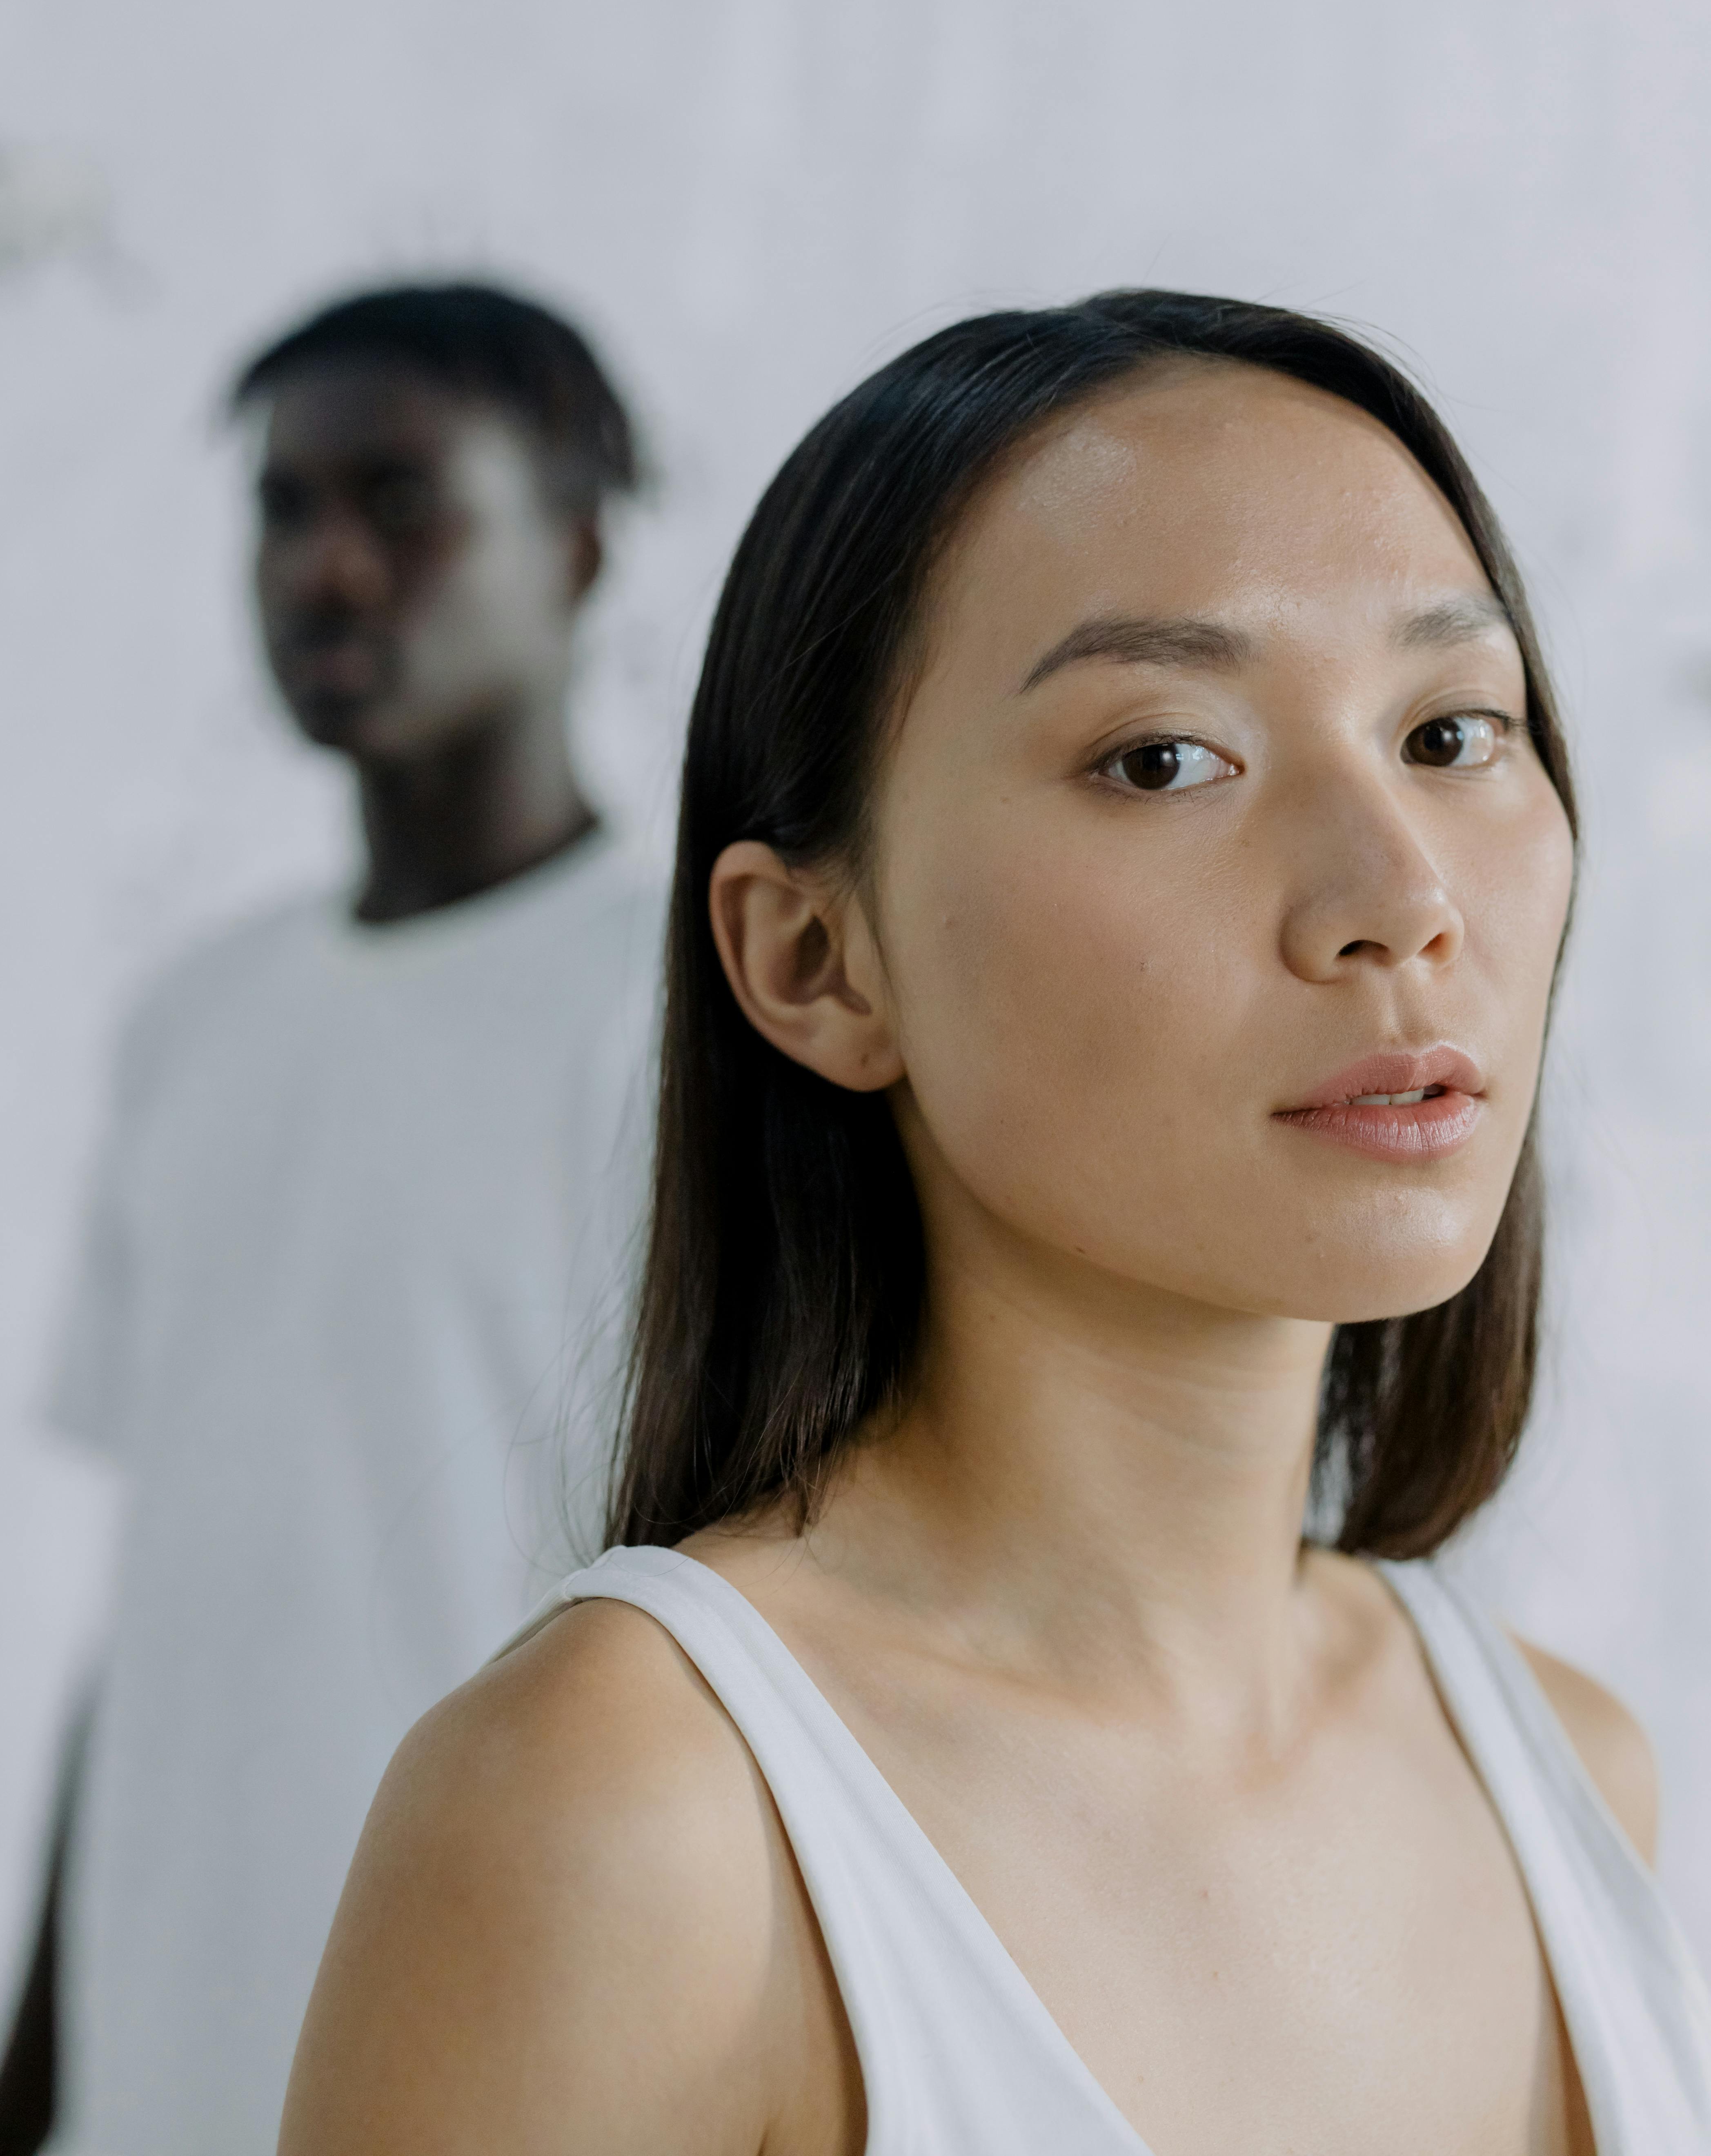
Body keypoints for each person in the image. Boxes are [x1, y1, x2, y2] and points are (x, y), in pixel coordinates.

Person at [280, 291, 1711, 2156]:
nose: (1398, 896)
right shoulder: (631, 1820)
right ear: (813, 962)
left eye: (1452, 730)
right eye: (1163, 759)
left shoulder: (1565, 1770)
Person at [9, 282, 661, 2156]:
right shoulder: (195, 1021)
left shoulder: (688, 1015)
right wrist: (42, 2040)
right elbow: (171, 1604)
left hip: (502, 2052)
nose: (328, 568)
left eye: (401, 501)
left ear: (576, 546)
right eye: (284, 511)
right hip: (165, 2057)